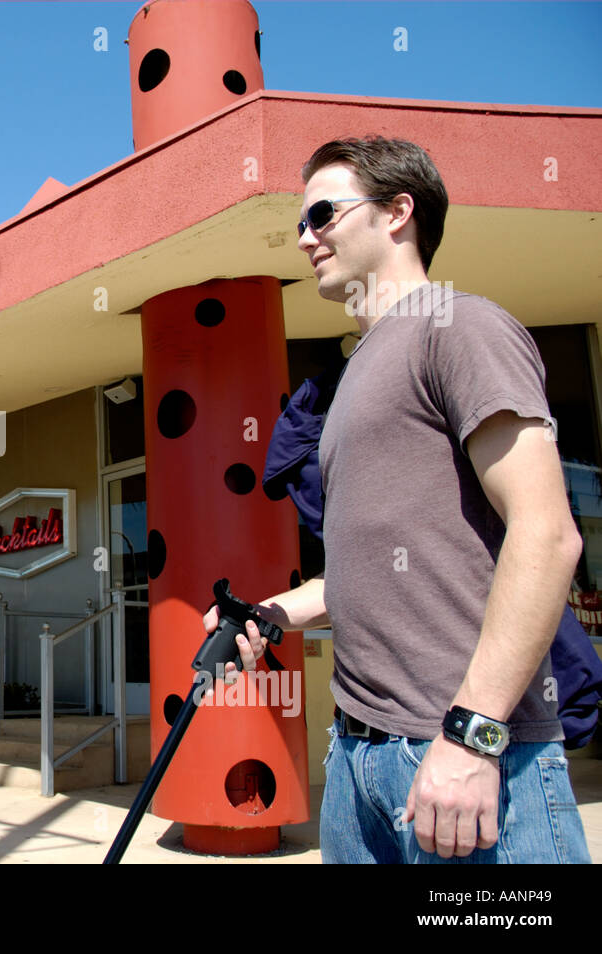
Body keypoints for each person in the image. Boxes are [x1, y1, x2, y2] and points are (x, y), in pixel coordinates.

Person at [206, 136, 590, 863]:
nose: (303, 237)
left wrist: (472, 738)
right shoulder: (354, 377)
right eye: (299, 223)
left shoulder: (459, 326)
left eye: (321, 213)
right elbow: (367, 567)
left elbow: (546, 536)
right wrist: (268, 615)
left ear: (397, 212)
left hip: (465, 764)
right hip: (356, 763)